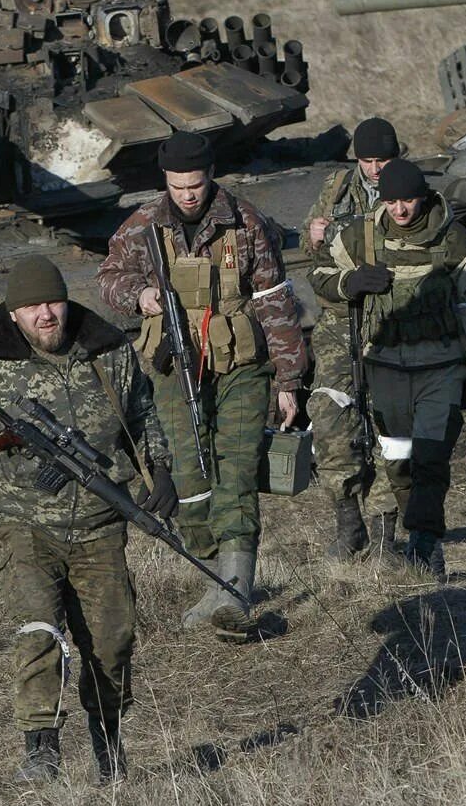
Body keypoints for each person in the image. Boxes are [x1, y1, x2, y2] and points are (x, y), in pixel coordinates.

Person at [0, 256, 173, 785]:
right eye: (31, 306)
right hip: (26, 523)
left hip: (102, 523)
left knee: (111, 640)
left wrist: (161, 470)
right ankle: (41, 748)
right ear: (13, 314)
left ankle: (109, 743)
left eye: (52, 302)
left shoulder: (109, 353)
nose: (45, 315)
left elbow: (143, 412)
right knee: (39, 630)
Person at [97, 131, 308, 636]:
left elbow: (275, 301)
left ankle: (236, 593)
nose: (188, 194)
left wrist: (289, 379)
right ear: (165, 181)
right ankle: (214, 578)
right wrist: (141, 294)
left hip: (240, 365)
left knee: (235, 470)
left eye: (196, 184)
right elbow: (107, 278)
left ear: (209, 176)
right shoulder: (144, 224)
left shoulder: (245, 221)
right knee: (189, 476)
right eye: (178, 185)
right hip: (174, 366)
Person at [308, 159, 466, 582]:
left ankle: (426, 543)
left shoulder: (451, 238)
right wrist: (351, 283)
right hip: (386, 368)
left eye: (408, 200)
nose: (400, 210)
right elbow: (319, 274)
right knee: (397, 460)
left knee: (431, 457)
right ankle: (400, 536)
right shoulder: (362, 237)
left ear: (423, 197)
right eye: (391, 201)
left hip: (440, 368)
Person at [302, 117, 404, 559]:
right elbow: (312, 247)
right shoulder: (338, 186)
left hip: (390, 317)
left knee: (390, 423)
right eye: (368, 160)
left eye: (383, 160)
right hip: (339, 318)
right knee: (329, 416)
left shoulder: (409, 189)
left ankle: (385, 535)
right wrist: (315, 237)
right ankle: (349, 525)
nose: (376, 169)